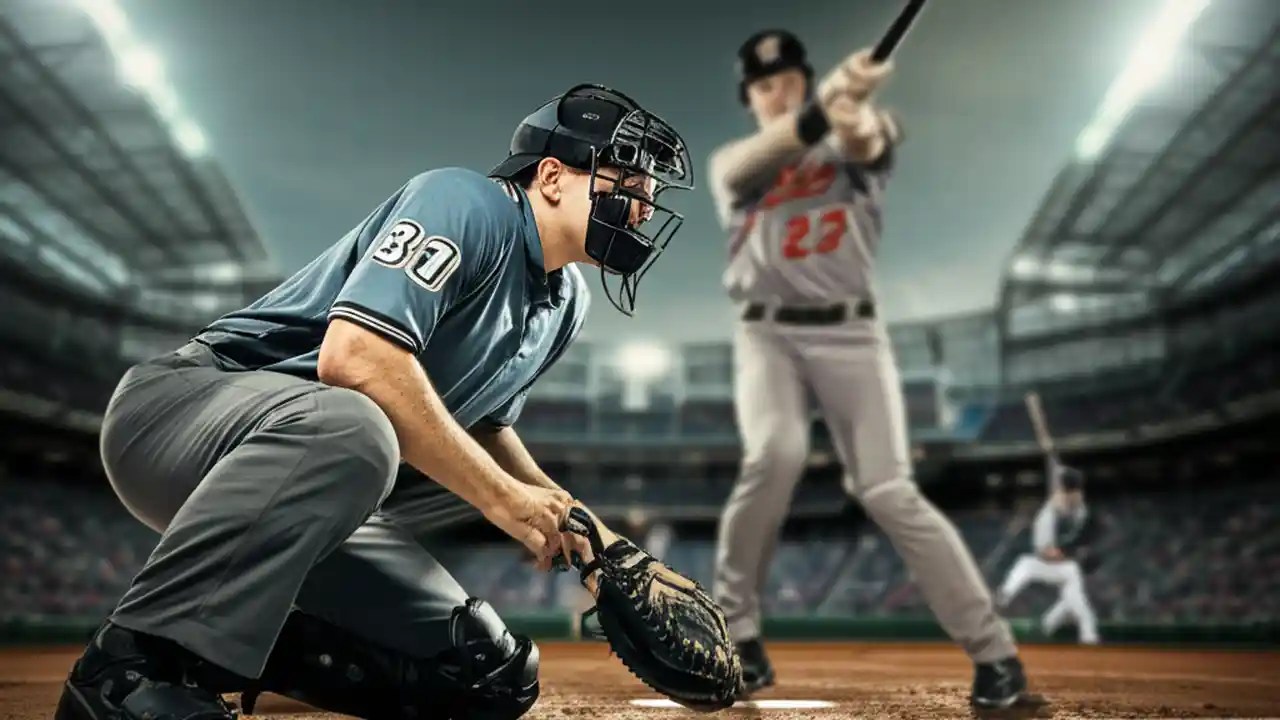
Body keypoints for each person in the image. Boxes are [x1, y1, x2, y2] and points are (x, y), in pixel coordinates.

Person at [56, 83, 693, 720]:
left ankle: (236, 646)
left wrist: (601, 544)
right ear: (552, 176)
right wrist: (503, 499)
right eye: (628, 179)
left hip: (317, 473)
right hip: (183, 413)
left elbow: (483, 432)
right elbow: (354, 360)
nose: (644, 204)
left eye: (651, 191)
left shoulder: (567, 303)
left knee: (486, 674)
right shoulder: (465, 201)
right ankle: (130, 668)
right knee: (355, 426)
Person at [707, 30, 1041, 709]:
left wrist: (850, 109)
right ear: (751, 98)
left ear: (804, 80)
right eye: (766, 85)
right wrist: (824, 104)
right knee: (775, 453)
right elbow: (760, 161)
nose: (781, 92)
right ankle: (736, 636)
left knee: (889, 488)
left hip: (853, 331)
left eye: (793, 80)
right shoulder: (734, 161)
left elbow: (868, 142)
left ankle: (994, 653)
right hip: (766, 333)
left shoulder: (857, 132)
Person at [997, 459, 1101, 645]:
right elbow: (1057, 472)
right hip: (1042, 560)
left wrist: (1062, 551)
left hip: (1063, 565)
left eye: (1070, 489)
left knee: (1076, 601)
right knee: (1025, 565)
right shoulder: (1056, 504)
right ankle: (1004, 597)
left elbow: (1080, 535)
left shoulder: (1080, 511)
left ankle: (1084, 636)